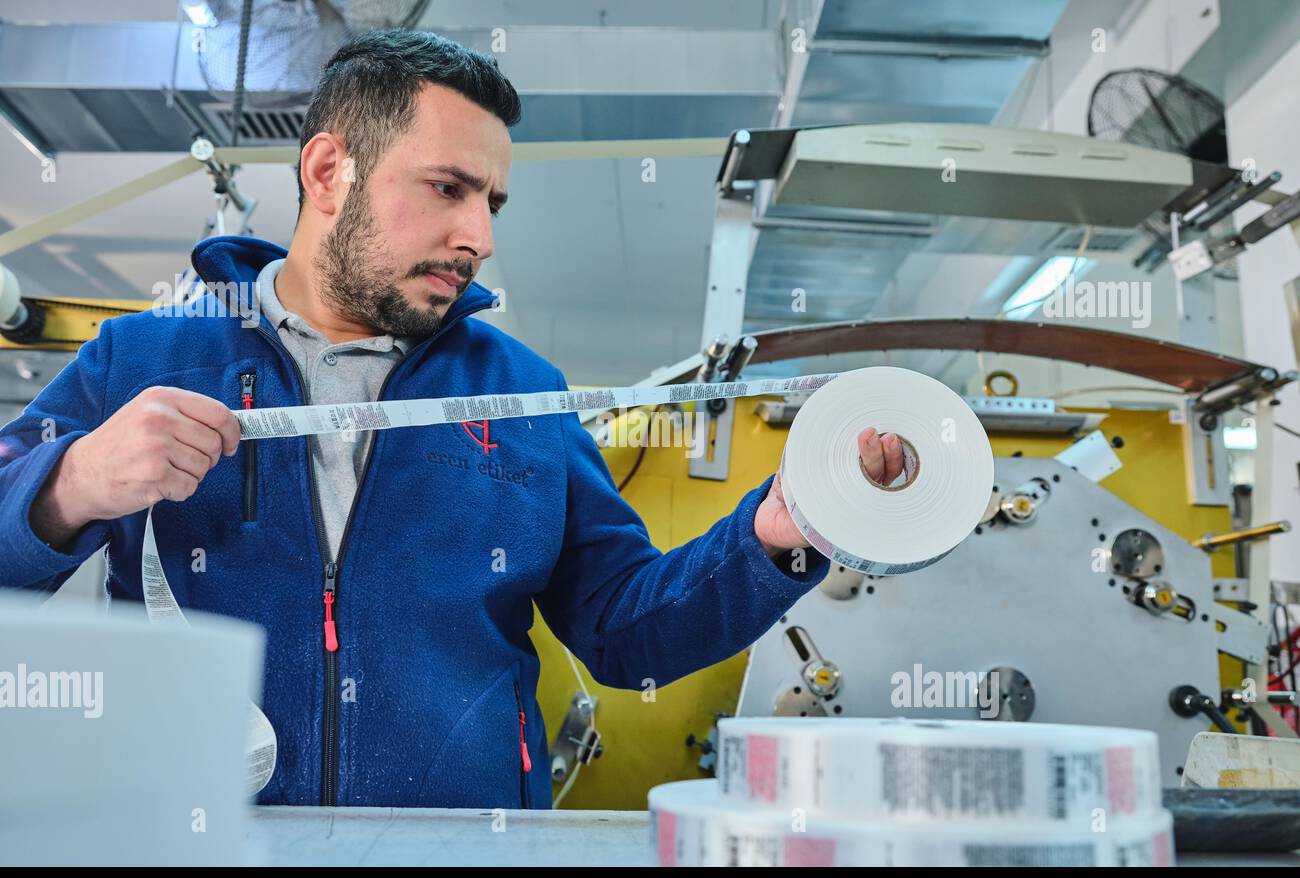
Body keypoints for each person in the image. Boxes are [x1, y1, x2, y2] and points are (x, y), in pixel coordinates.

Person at [0, 30, 905, 809]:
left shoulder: (524, 395)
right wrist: (71, 485)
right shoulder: (141, 359)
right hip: (195, 840)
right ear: (327, 171)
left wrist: (780, 533)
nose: (481, 235)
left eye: (492, 202)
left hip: (468, 848)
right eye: (448, 188)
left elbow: (629, 634)